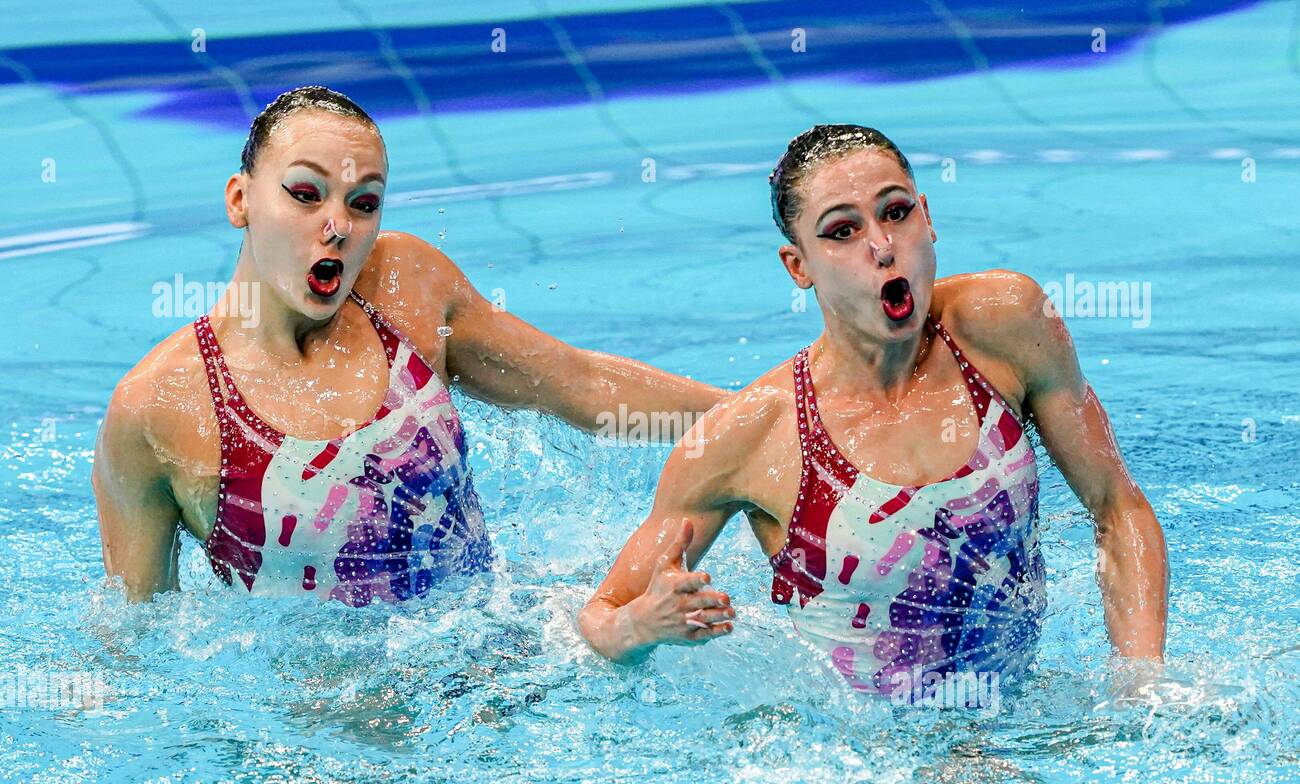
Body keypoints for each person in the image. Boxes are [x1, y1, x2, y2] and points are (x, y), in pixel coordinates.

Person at [578, 125, 1167, 698]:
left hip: (1022, 712)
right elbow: (601, 615)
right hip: (865, 765)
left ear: (928, 216)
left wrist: (1142, 688)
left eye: (896, 212)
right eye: (841, 231)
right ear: (798, 266)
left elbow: (1118, 507)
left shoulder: (1005, 328)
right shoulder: (753, 435)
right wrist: (643, 625)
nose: (883, 247)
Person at [92, 86, 724, 606]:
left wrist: (758, 418)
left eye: (363, 203)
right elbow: (135, 642)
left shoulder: (404, 289)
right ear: (240, 200)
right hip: (322, 747)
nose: (338, 227)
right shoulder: (160, 406)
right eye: (305, 195)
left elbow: (580, 385)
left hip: (503, 686)